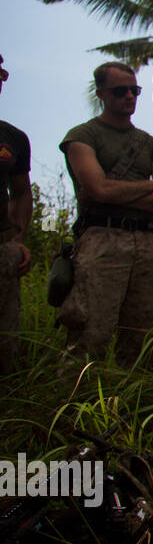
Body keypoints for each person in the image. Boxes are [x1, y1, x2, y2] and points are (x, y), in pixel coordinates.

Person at [58, 62, 153, 366]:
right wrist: (146, 186)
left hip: (148, 243)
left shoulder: (151, 144)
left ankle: (137, 405)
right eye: (120, 90)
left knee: (147, 338)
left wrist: (115, 191)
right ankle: (76, 406)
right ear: (101, 93)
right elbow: (97, 190)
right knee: (89, 333)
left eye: (134, 90)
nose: (129, 96)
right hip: (101, 239)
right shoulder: (82, 136)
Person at [0, 54, 34, 379]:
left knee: (5, 340)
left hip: (1, 251)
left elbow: (21, 191)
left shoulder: (13, 138)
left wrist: (17, 240)